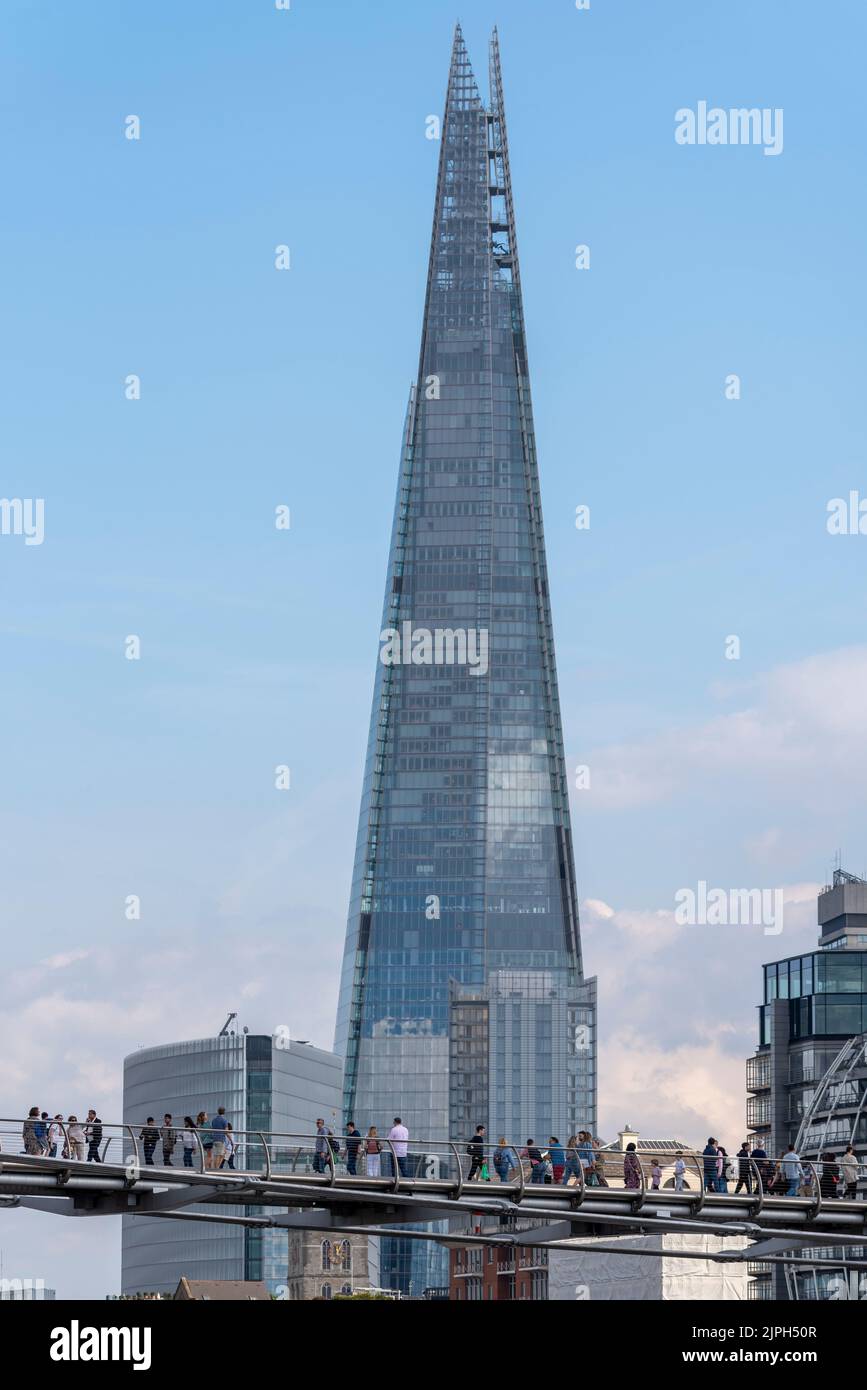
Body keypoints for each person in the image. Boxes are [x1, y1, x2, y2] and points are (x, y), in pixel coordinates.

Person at [209, 1107, 228, 1171]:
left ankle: (217, 1167)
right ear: (224, 1112)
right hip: (221, 1139)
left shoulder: (214, 1120)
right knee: (219, 1154)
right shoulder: (224, 1120)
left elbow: (212, 1129)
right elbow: (226, 1131)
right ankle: (216, 1169)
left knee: (219, 1154)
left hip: (214, 1138)